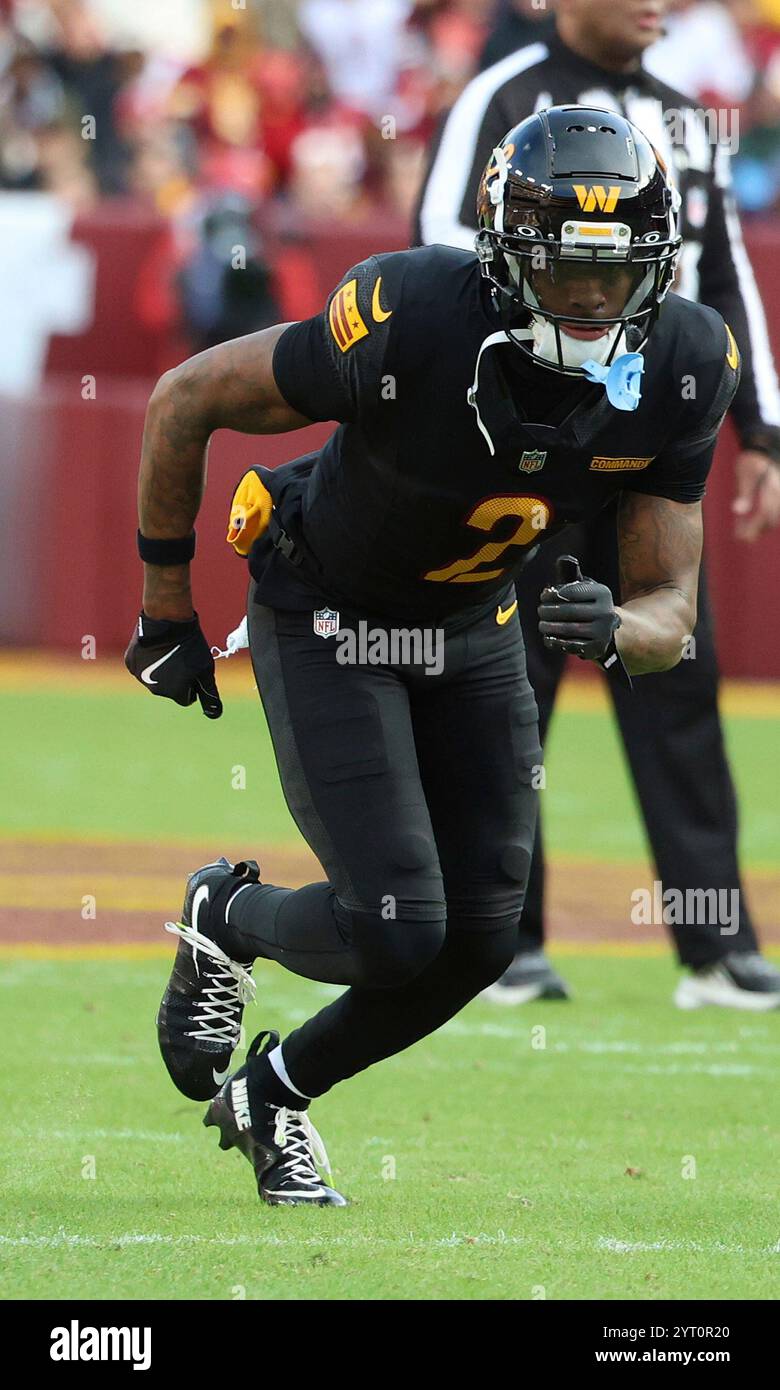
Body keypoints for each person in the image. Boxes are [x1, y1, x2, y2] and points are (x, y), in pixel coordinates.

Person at [126, 106, 740, 1206]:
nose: (593, 299)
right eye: (564, 268)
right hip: (331, 608)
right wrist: (165, 604)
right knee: (398, 923)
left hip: (471, 628)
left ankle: (274, 1090)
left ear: (656, 265)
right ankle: (228, 915)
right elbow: (187, 399)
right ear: (507, 255)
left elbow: (670, 611)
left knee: (480, 939)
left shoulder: (689, 358)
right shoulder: (410, 315)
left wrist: (617, 630)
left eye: (615, 271)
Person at [414, 0, 780, 1009]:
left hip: (648, 442)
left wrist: (766, 431)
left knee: (677, 679)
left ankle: (714, 946)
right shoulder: (501, 94)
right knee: (507, 686)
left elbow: (724, 272)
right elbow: (439, 248)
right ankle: (503, 939)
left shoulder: (690, 121)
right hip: (528, 446)